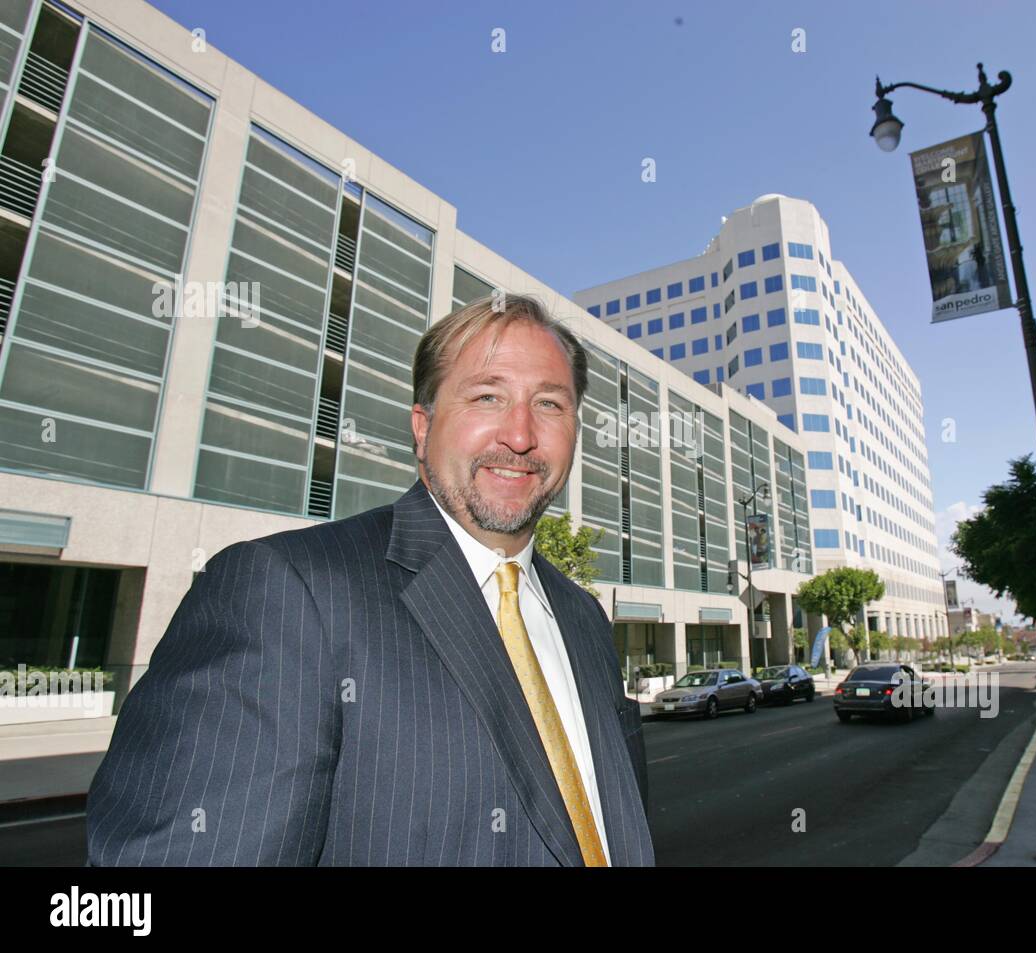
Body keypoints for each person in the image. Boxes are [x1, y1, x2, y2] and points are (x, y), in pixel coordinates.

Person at [85, 294, 654, 866]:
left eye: (550, 404)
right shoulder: (287, 591)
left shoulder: (582, 617)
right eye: (487, 396)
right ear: (423, 425)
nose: (522, 435)